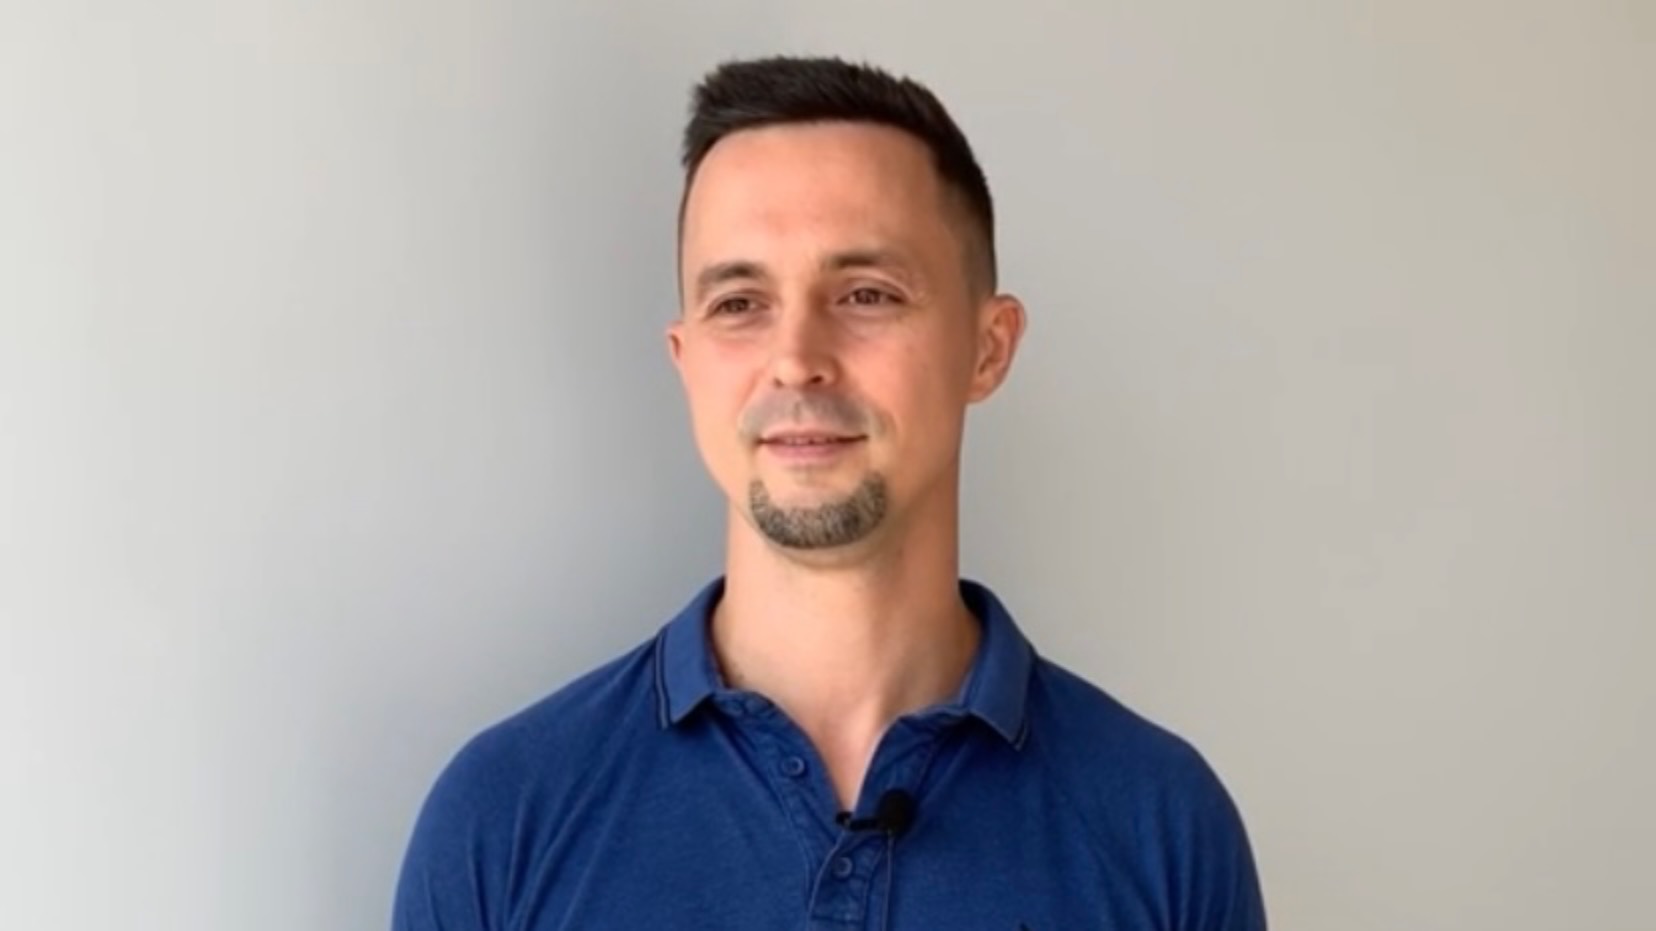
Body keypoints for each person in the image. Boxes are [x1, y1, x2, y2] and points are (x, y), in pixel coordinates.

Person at [393, 55, 1266, 930]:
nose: (797, 358)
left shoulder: (1162, 827)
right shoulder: (502, 821)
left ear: (989, 347)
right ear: (686, 360)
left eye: (865, 294)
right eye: (739, 303)